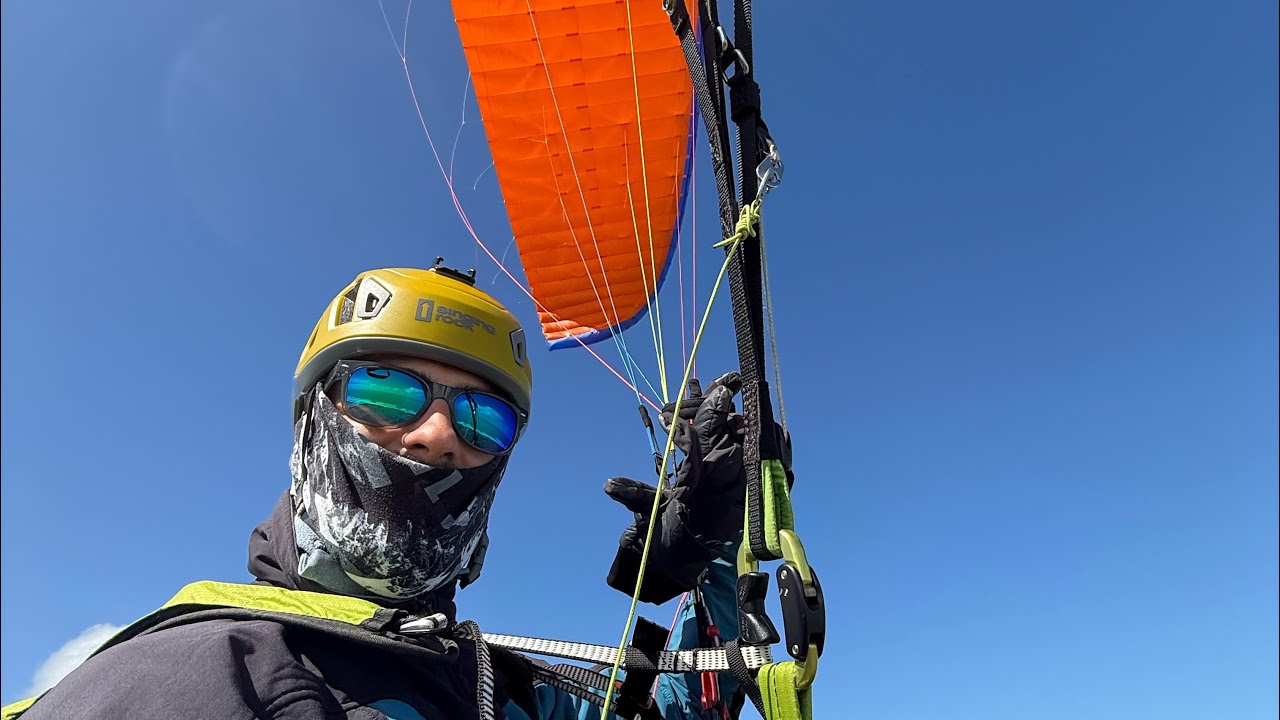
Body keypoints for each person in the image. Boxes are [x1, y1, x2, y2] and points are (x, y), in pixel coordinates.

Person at [8, 265, 750, 720]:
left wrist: (702, 560)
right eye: (388, 390)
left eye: (481, 416)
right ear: (312, 420)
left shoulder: (502, 687)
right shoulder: (192, 680)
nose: (435, 434)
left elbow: (684, 709)